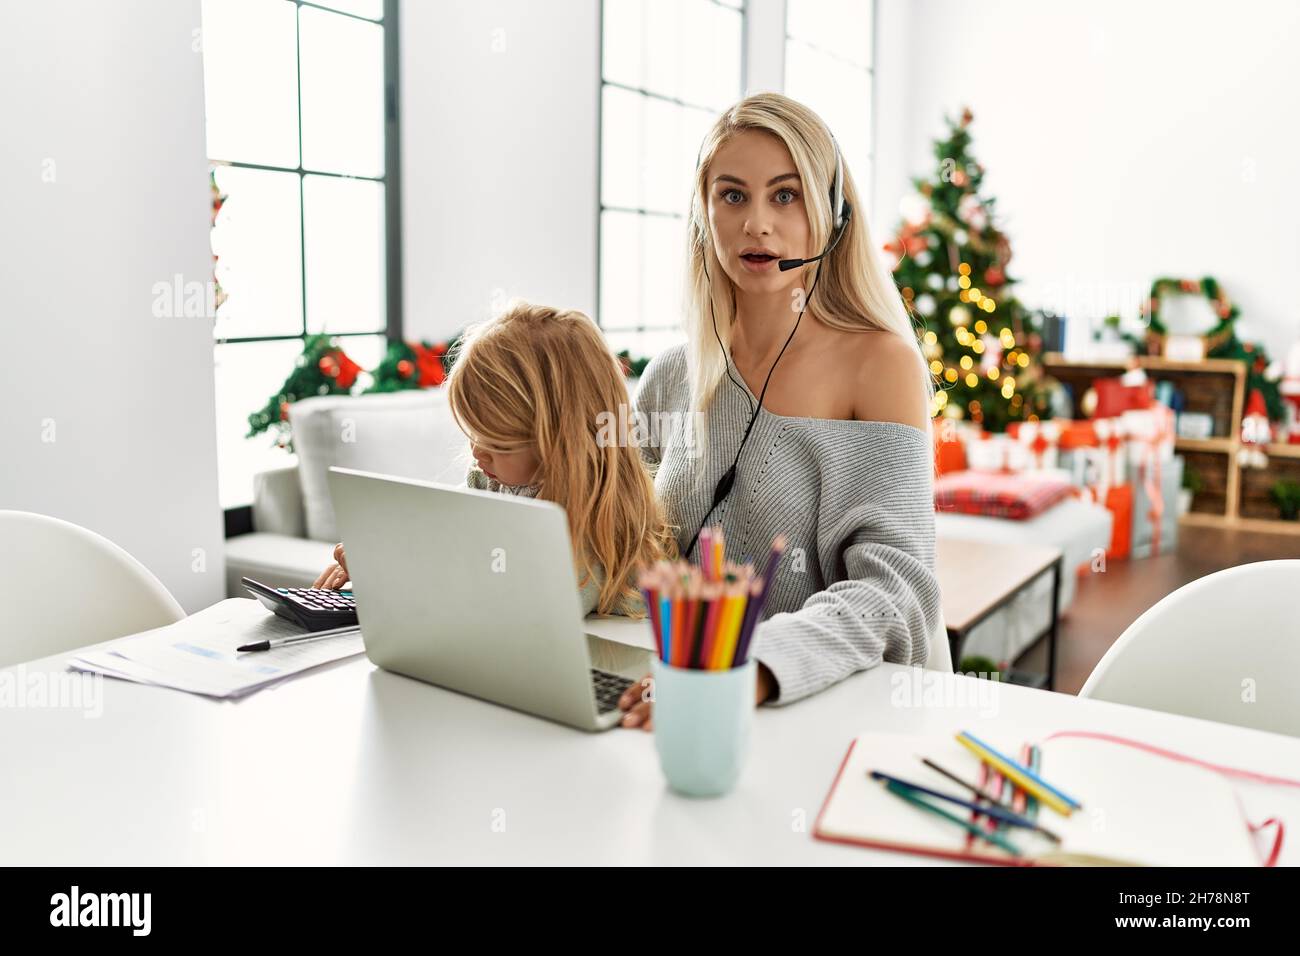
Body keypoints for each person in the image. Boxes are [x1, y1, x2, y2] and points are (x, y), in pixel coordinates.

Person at [618, 92, 941, 729]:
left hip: (819, 716)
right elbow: (621, 541)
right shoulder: (670, 376)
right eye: (732, 195)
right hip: (673, 697)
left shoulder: (879, 366)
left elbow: (894, 593)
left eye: (785, 195)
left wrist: (753, 672)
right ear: (702, 213)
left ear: (833, 215)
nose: (756, 224)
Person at [314, 301, 678, 617]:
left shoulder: (602, 522)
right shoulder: (489, 482)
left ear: (562, 444)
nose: (476, 453)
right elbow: (440, 536)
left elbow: (526, 604)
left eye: (498, 444)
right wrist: (383, 554)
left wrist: (397, 581)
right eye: (473, 434)